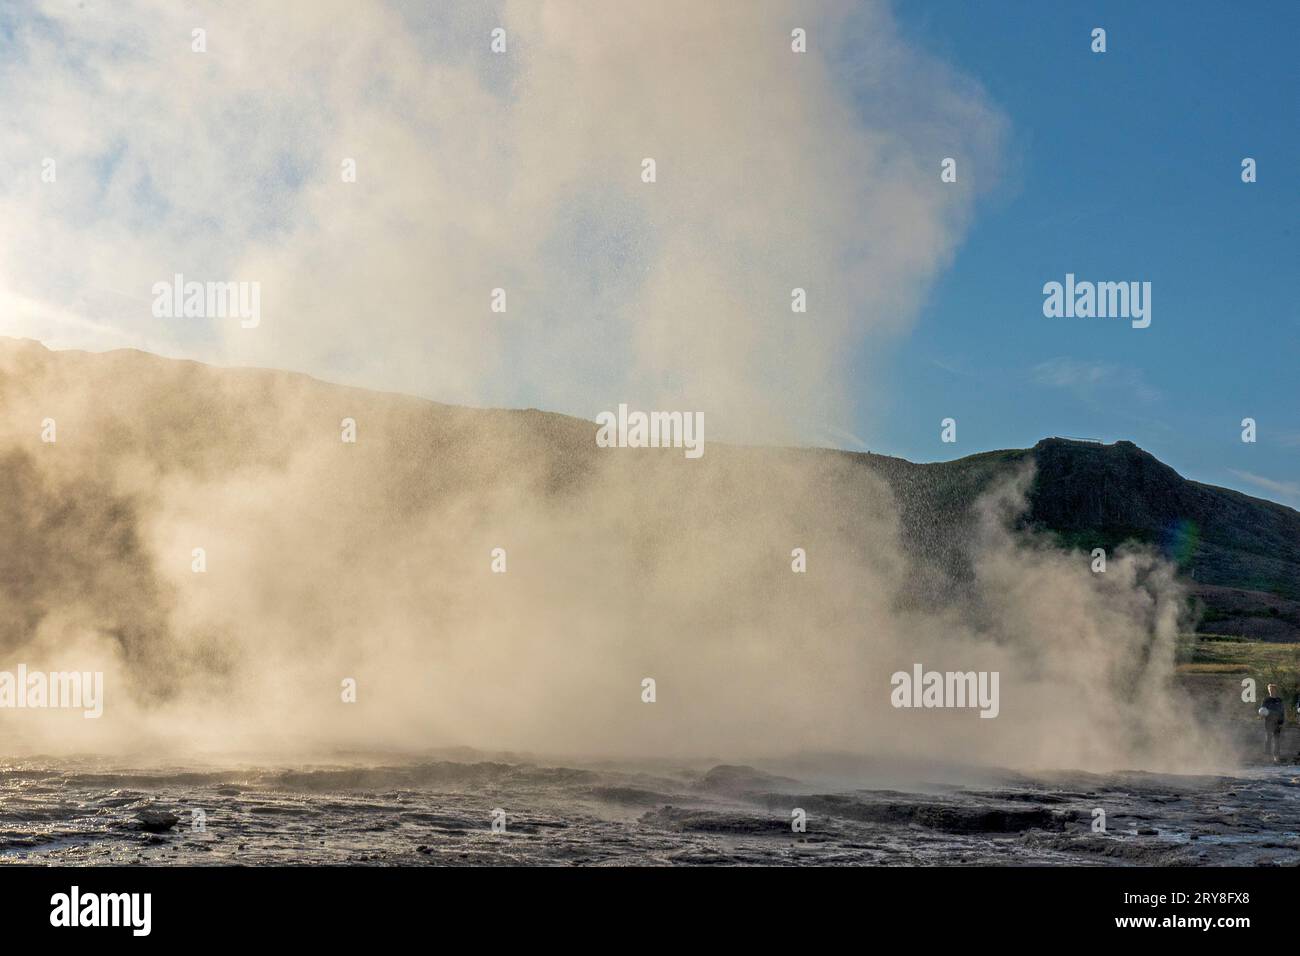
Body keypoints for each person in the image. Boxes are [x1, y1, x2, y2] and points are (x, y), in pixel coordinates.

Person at [1261, 684, 1285, 763]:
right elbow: (1263, 710)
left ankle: (1276, 757)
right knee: (1268, 739)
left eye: (1272, 689)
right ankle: (1267, 757)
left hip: (1277, 722)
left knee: (1276, 740)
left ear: (1275, 690)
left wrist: (1281, 722)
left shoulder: (1279, 700)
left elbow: (1282, 712)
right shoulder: (1266, 700)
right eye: (1269, 689)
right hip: (1268, 722)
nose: (1270, 690)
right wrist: (1263, 713)